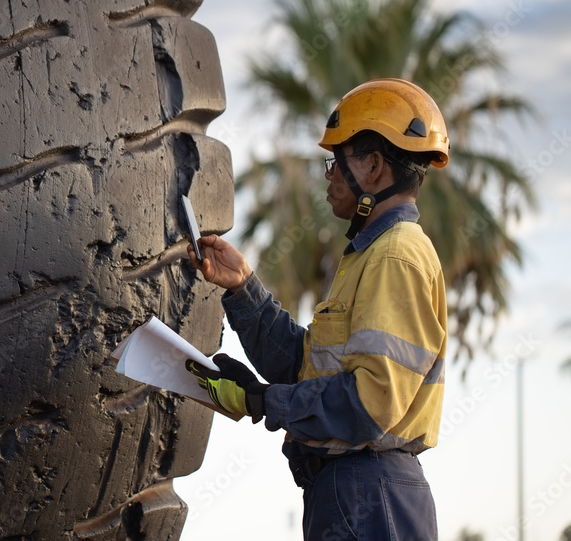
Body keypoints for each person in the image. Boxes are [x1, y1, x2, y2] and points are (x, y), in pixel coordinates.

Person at [185, 78, 450, 540]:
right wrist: (243, 289)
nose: (328, 175)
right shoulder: (371, 253)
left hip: (369, 492)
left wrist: (261, 400)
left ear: (372, 167)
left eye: (335, 162)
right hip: (356, 492)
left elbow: (370, 404)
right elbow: (307, 367)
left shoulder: (395, 255)